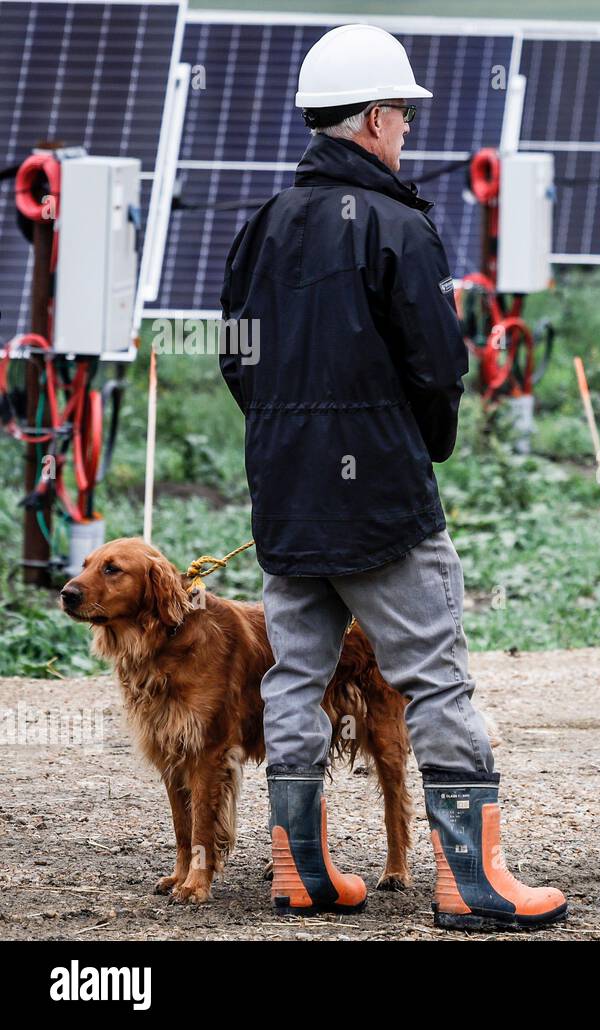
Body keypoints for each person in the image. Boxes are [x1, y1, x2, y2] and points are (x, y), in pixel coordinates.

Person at [218, 23, 566, 931]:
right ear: (373, 118)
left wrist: (286, 444)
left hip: (286, 498)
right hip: (381, 506)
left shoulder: (261, 225)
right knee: (437, 680)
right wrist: (419, 448)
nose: (407, 129)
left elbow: (237, 361)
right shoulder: (398, 225)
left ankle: (299, 872)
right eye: (403, 114)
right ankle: (475, 885)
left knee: (293, 677)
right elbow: (436, 367)